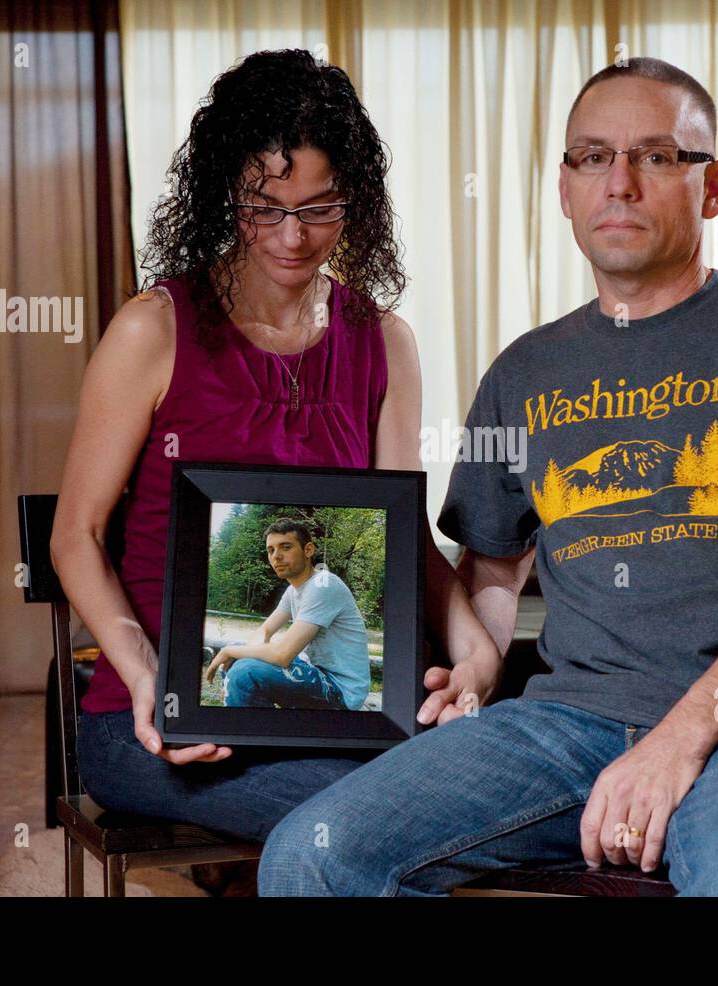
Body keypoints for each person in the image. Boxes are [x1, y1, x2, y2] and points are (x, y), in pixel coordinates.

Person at [255, 57, 718, 896]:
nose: (619, 184)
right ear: (565, 190)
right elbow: (496, 570)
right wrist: (478, 665)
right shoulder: (524, 372)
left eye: (655, 156)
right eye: (591, 158)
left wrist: (679, 739)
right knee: (311, 853)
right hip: (563, 722)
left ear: (713, 187)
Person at [49, 49, 500, 846]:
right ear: (228, 192)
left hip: (334, 728)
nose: (292, 236)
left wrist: (475, 652)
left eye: (320, 208)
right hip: (151, 721)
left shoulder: (386, 342)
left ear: (354, 200)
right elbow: (74, 537)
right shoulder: (153, 330)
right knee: (389, 821)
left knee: (467, 797)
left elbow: (407, 542)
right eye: (266, 207)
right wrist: (148, 676)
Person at [207, 519, 371, 712]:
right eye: (271, 550)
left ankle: (249, 735)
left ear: (308, 550)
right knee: (238, 655)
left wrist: (228, 652)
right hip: (315, 671)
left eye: (285, 547)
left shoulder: (324, 585)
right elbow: (266, 629)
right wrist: (239, 652)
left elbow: (283, 655)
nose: (276, 556)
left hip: (341, 690)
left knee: (243, 672)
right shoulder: (294, 590)